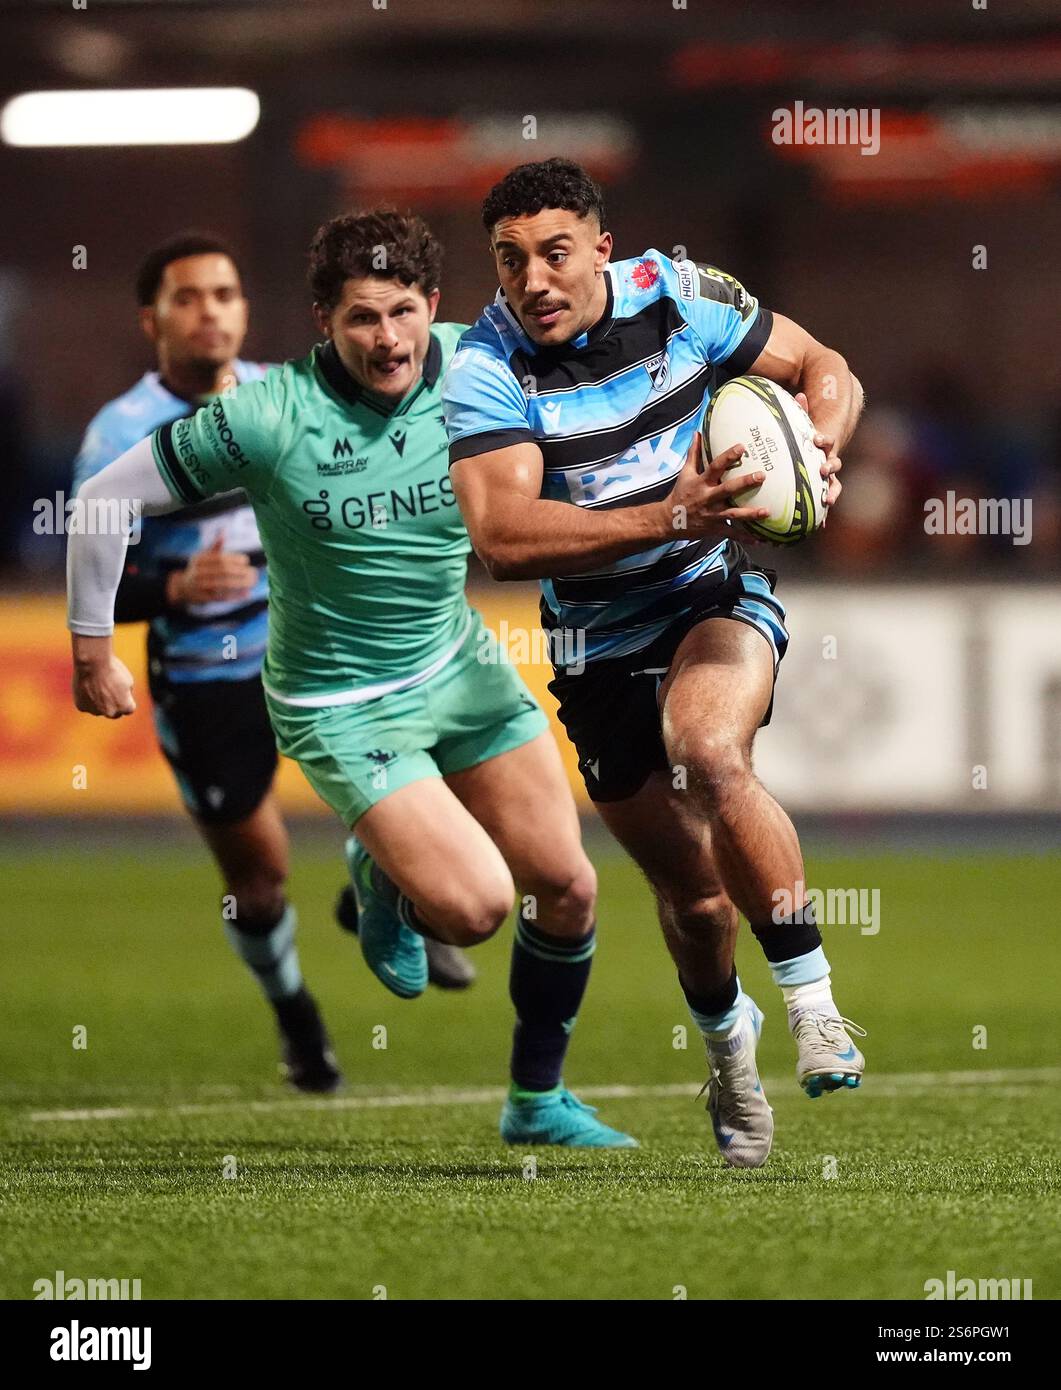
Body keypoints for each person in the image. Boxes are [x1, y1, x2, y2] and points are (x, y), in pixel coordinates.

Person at [66, 210, 634, 1148]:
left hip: (457, 666)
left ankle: (536, 1102)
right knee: (478, 908)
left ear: (434, 307)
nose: (388, 340)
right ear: (323, 317)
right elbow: (102, 500)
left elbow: (605, 334)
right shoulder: (265, 414)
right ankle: (381, 877)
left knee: (568, 888)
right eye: (362, 318)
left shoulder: (474, 362)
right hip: (338, 702)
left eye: (403, 313)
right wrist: (93, 648)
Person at [442, 158, 867, 1168]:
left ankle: (814, 1008)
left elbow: (826, 368)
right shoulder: (484, 367)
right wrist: (663, 512)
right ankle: (727, 1047)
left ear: (601, 246)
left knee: (709, 751)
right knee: (692, 899)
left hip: (708, 591)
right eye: (509, 262)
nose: (532, 281)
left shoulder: (685, 298)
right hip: (594, 646)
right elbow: (501, 536)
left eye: (552, 253)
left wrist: (818, 446)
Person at [71, 233, 342, 1093]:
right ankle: (293, 1006)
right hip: (204, 676)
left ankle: (393, 898)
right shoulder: (116, 432)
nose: (210, 311)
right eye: (188, 298)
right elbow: (92, 576)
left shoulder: (286, 395)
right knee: (259, 880)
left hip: (315, 649)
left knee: (423, 786)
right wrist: (172, 583)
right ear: (151, 319)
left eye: (224, 293)